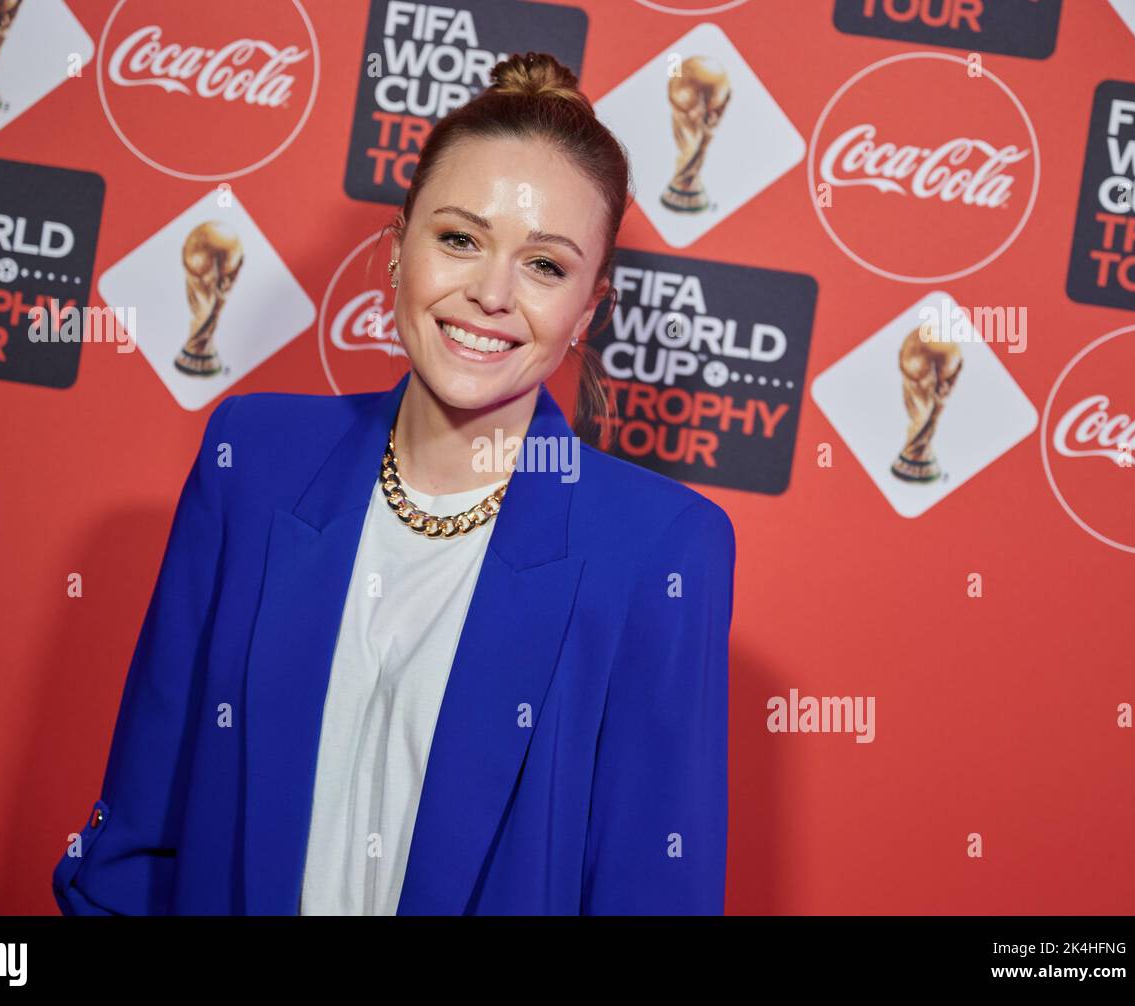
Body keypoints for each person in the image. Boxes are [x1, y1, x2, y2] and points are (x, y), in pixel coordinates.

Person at [52, 51, 736, 916]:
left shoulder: (658, 549)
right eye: (460, 239)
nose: (491, 293)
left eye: (545, 266)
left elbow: (655, 894)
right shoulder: (253, 464)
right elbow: (137, 841)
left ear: (586, 312)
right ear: (396, 248)